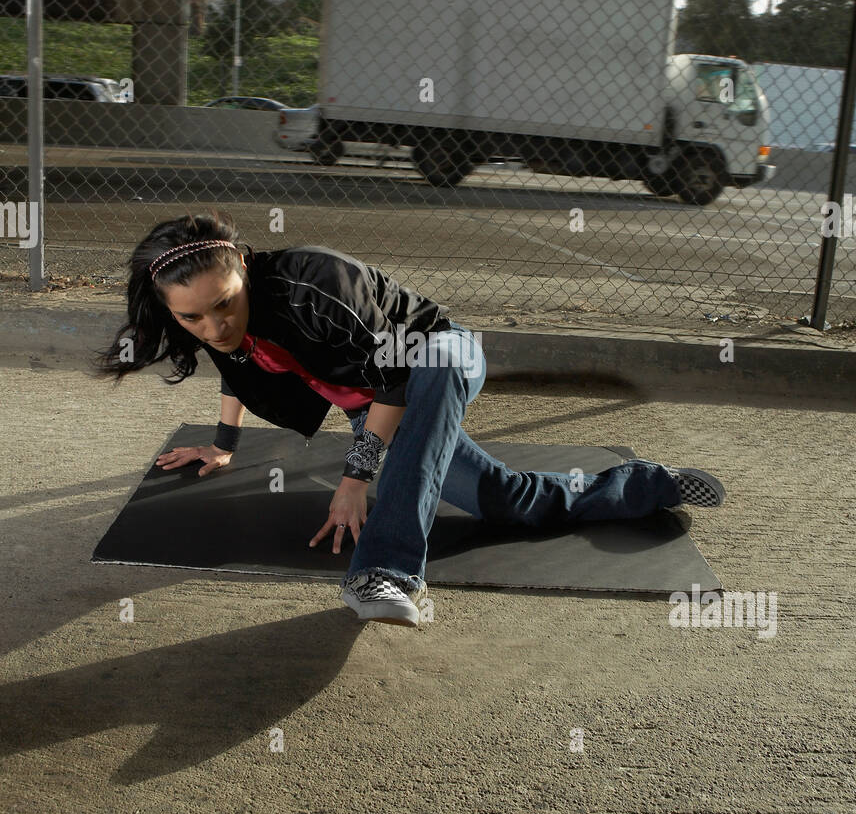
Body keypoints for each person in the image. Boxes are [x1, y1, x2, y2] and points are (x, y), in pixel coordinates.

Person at [91, 209, 724, 629]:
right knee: (512, 503)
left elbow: (397, 374)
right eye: (193, 318)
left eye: (225, 305)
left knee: (438, 363)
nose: (215, 325)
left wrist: (355, 479)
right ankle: (650, 484)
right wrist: (223, 443)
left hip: (439, 355)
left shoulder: (316, 282)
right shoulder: (206, 314)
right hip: (383, 405)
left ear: (244, 270)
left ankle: (385, 571)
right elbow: (239, 364)